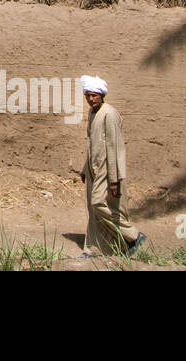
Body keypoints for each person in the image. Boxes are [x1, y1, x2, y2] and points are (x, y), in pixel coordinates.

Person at [79, 74, 147, 256]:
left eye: (94, 95)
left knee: (98, 203)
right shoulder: (93, 113)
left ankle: (133, 235)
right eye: (88, 96)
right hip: (94, 168)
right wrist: (85, 168)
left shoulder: (109, 114)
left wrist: (115, 178)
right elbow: (92, 143)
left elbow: (115, 148)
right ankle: (95, 248)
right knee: (92, 210)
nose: (90, 99)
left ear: (101, 95)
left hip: (107, 169)